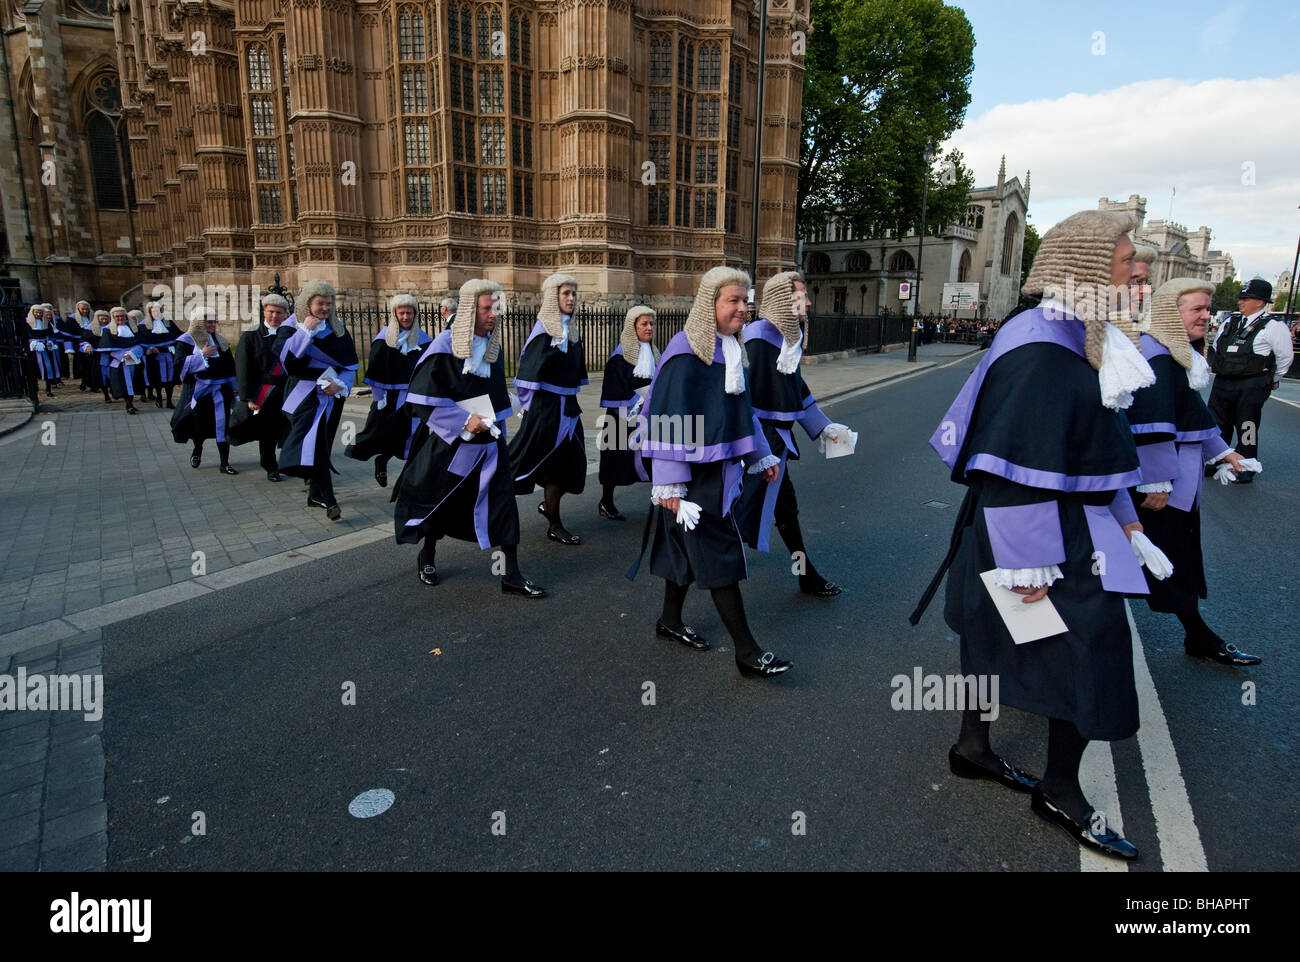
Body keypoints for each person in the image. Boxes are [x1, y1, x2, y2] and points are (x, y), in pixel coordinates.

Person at [912, 210, 1164, 861]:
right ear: (1085, 269)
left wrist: (1131, 524)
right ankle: (1059, 789)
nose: (1139, 271)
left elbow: (1077, 446)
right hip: (1034, 532)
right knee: (1092, 646)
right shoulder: (1046, 350)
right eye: (1126, 259)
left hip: (1041, 522)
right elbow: (1018, 469)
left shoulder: (1070, 330)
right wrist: (1027, 571)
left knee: (985, 635)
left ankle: (973, 747)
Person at [634, 265, 792, 678]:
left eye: (745, 301)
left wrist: (761, 456)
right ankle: (746, 651)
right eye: (733, 301)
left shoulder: (731, 351)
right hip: (692, 478)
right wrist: (669, 484)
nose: (743, 308)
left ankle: (669, 620)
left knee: (683, 550)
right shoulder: (686, 352)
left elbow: (743, 411)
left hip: (721, 471)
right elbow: (665, 416)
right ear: (711, 305)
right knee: (718, 553)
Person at [1125, 278, 1261, 666]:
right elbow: (1149, 421)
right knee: (1161, 560)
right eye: (1198, 309)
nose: (1207, 316)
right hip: (1162, 483)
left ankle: (1197, 635)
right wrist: (1156, 480)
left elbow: (1190, 413)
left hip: (1177, 478)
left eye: (1207, 308)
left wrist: (1224, 452)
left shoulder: (1175, 352)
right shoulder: (1156, 355)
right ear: (1171, 312)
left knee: (1165, 560)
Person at [393, 278, 545, 598]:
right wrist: (465, 420)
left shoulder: (493, 347)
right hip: (453, 443)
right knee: (442, 503)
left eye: (496, 309)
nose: (493, 315)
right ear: (468, 311)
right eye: (486, 309)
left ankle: (511, 575)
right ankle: (427, 555)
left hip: (490, 444)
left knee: (504, 506)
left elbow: (492, 393)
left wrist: (504, 423)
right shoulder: (444, 345)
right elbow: (422, 399)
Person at [734, 270, 850, 596]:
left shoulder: (786, 341)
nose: (808, 302)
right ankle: (699, 571)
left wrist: (825, 429)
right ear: (783, 302)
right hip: (758, 443)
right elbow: (743, 398)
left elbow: (796, 389)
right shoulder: (757, 339)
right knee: (737, 508)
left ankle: (804, 574)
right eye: (801, 296)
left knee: (785, 509)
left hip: (774, 442)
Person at [508, 273, 589, 545]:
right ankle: (492, 508)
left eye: (574, 294)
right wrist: (531, 410)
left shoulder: (572, 332)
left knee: (570, 465)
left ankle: (551, 514)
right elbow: (527, 373)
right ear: (553, 297)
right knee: (520, 463)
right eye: (566, 293)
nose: (571, 298)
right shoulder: (543, 331)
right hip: (546, 410)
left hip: (568, 409)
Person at [275, 280, 359, 521]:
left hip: (331, 393)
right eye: (320, 303)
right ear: (307, 303)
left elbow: (351, 365)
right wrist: (306, 331)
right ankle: (329, 499)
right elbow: (289, 360)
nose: (325, 308)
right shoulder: (291, 327)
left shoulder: (338, 329)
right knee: (315, 444)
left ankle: (315, 495)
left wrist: (340, 384)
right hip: (302, 393)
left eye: (329, 304)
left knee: (322, 443)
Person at [1207, 278, 1291, 482]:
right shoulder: (1231, 322)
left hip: (1251, 382)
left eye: (1246, 298)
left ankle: (1246, 464)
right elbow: (1218, 347)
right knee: (1218, 423)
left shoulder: (1273, 327)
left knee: (1247, 425)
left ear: (1260, 302)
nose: (1240, 302)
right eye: (1241, 298)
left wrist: (1273, 377)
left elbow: (1285, 357)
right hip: (1224, 381)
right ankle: (1215, 458)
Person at [345, 294, 431, 487]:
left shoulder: (424, 340)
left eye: (409, 313)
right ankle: (382, 460)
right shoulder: (384, 338)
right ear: (394, 314)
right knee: (387, 434)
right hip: (389, 397)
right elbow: (376, 368)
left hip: (415, 397)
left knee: (416, 438)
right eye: (402, 313)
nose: (406, 317)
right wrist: (379, 397)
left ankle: (411, 483)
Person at [596, 305, 657, 521]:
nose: (649, 328)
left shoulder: (654, 352)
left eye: (651, 323)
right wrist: (637, 402)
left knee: (653, 457)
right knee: (615, 459)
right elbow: (614, 386)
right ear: (633, 327)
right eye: (644, 324)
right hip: (622, 416)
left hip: (648, 415)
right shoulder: (619, 356)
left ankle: (662, 499)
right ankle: (606, 500)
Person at [230, 293, 296, 482]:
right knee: (267, 432)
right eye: (270, 312)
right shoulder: (250, 337)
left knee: (291, 428)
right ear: (264, 312)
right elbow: (243, 369)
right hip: (264, 394)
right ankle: (270, 466)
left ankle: (294, 463)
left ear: (286, 314)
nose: (274, 316)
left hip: (287, 390)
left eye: (279, 313)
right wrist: (249, 397)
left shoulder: (292, 335)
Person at [172, 307, 239, 474]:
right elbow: (178, 365)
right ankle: (197, 450)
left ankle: (225, 463)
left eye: (214, 321)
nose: (213, 324)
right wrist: (202, 355)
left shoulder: (221, 341)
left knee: (223, 426)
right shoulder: (185, 341)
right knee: (198, 426)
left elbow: (230, 367)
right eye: (209, 321)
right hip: (198, 392)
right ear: (198, 322)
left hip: (220, 391)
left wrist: (236, 389)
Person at [99, 306, 145, 415]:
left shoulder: (133, 328)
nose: (120, 318)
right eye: (117, 316)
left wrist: (132, 353)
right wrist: (123, 355)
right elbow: (107, 347)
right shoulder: (108, 329)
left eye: (122, 316)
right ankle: (128, 404)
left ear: (126, 316)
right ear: (113, 317)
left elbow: (140, 343)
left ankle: (131, 403)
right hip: (118, 362)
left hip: (133, 359)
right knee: (123, 384)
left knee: (133, 382)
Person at [141, 302, 182, 409]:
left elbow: (178, 334)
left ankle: (169, 400)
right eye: (154, 310)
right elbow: (141, 340)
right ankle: (159, 398)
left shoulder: (168, 322)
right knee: (157, 378)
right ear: (149, 311)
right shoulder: (144, 324)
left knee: (171, 379)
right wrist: (150, 348)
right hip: (155, 357)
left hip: (169, 354)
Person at [25, 305, 61, 397]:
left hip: (44, 347)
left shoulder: (46, 323)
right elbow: (24, 336)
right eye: (36, 312)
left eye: (40, 312)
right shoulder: (27, 322)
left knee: (47, 367)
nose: (38, 314)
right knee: (33, 369)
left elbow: (52, 335)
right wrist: (32, 343)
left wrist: (50, 342)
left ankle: (48, 389)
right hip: (32, 349)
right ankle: (34, 388)